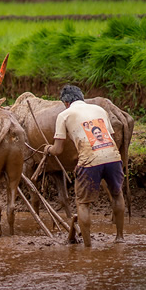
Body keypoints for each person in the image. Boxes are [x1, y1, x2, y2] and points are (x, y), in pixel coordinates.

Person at [43, 84, 125, 247]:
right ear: (81, 97)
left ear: (65, 103)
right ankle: (120, 237)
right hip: (113, 156)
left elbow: (58, 150)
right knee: (116, 194)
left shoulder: (64, 115)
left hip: (89, 159)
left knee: (83, 203)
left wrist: (48, 149)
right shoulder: (100, 110)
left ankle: (87, 246)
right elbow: (109, 136)